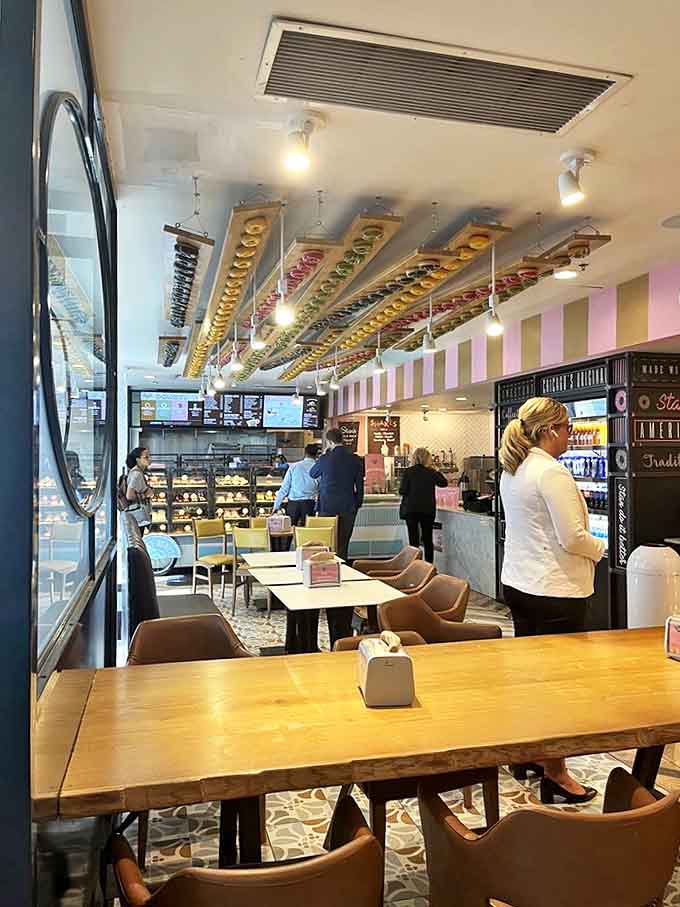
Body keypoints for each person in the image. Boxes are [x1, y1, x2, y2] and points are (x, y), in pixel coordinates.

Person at [499, 396, 605, 805]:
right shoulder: (552, 473)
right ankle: (557, 772)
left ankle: (528, 755)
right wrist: (602, 550)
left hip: (521, 583)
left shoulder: (515, 469)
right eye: (566, 427)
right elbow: (573, 537)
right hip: (555, 590)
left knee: (530, 680)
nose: (571, 433)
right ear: (548, 431)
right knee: (559, 687)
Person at [310, 427, 365, 647]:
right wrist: (356, 504)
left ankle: (325, 585)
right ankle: (340, 591)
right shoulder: (355, 459)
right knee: (343, 548)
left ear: (328, 441)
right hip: (348, 507)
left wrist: (324, 457)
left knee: (326, 549)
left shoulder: (326, 458)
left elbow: (312, 474)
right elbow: (359, 486)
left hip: (327, 508)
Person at [399, 447, 448, 563]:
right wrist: (435, 470)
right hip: (427, 510)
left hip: (411, 510)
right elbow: (444, 483)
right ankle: (429, 567)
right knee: (427, 540)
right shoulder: (431, 472)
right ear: (426, 459)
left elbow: (402, 491)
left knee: (413, 541)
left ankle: (414, 567)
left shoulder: (408, 471)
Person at [273, 444, 319, 526]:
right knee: (307, 532)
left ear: (305, 453)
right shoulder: (318, 468)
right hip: (310, 504)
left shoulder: (294, 467)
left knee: (288, 531)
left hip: (293, 504)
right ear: (316, 454)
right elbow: (321, 488)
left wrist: (276, 506)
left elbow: (284, 488)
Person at [124, 446, 152, 528]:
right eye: (146, 457)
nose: (149, 459)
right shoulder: (137, 474)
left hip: (136, 515)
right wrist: (146, 494)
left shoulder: (137, 472)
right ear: (137, 459)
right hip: (138, 515)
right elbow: (129, 495)